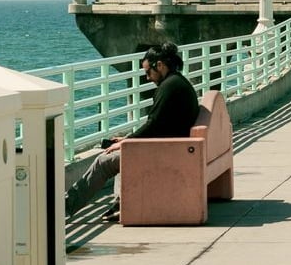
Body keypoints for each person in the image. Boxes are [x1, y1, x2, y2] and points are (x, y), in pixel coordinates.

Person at [72, 44, 202, 207]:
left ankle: (65, 205)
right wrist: (126, 140)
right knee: (120, 153)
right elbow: (158, 125)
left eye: (148, 72)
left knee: (103, 161)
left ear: (160, 65)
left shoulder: (169, 87)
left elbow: (153, 124)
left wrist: (125, 142)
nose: (147, 77)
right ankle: (121, 205)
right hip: (173, 147)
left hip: (166, 151)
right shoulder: (178, 82)